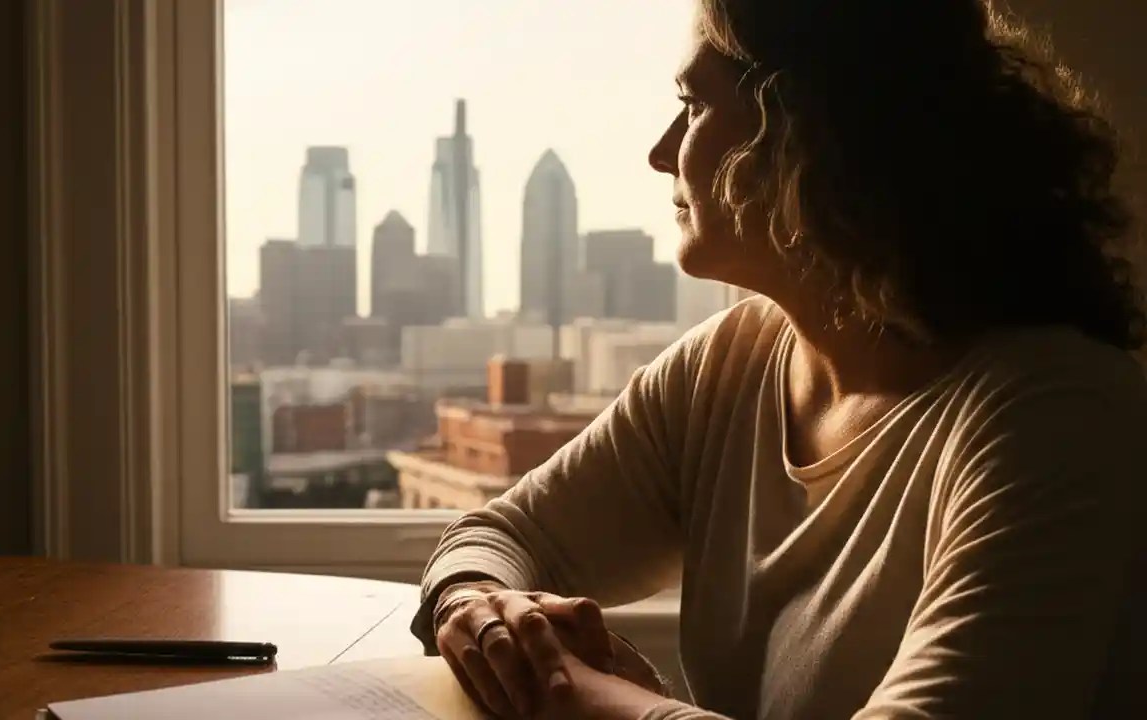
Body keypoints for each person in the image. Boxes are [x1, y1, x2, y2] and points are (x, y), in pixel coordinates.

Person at [411, 0, 1147, 718]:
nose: (661, 151)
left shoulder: (1058, 416)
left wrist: (592, 697)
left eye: (693, 106)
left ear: (799, 136)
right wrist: (488, 615)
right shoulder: (729, 362)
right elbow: (499, 536)